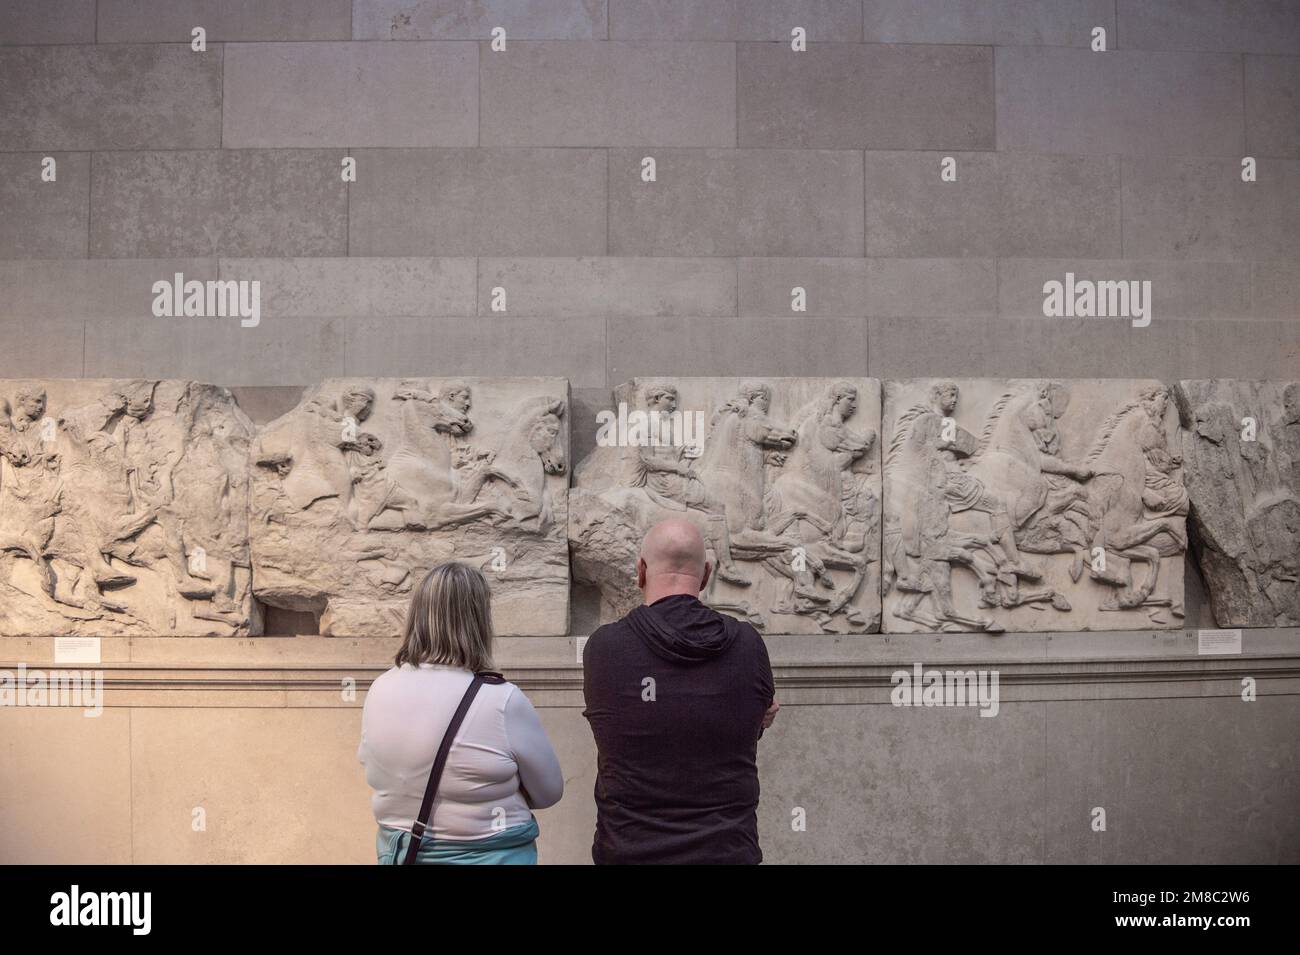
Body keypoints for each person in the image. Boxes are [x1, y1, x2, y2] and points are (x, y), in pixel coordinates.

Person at [582, 518, 779, 864]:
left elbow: (624, 726)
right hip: (726, 854)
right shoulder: (748, 646)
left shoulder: (605, 649)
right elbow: (749, 720)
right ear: (706, 574)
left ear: (641, 571)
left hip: (629, 854)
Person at [358, 562, 563, 864]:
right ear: (479, 621)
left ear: (417, 616)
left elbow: (377, 771)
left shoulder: (380, 688)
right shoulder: (502, 700)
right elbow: (548, 792)